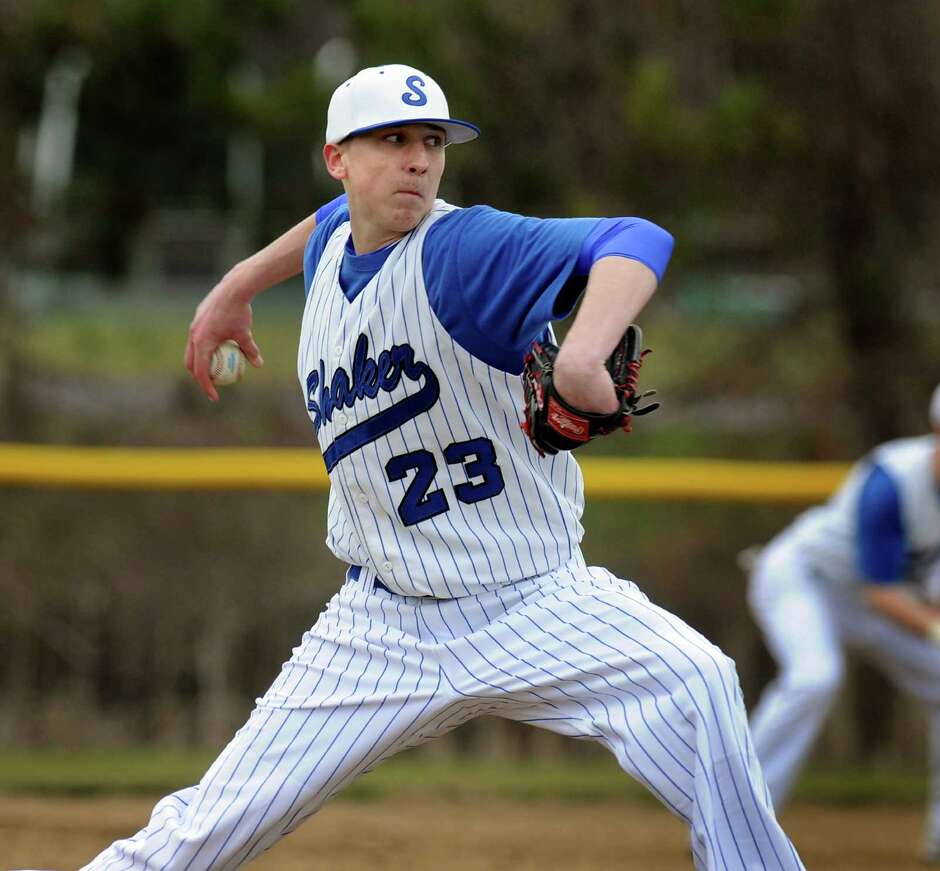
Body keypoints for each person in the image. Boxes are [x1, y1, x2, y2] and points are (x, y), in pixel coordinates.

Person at [83, 64, 804, 870]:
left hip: (535, 600)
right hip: (379, 624)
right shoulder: (333, 244)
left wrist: (584, 357)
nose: (419, 161)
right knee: (204, 827)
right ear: (338, 158)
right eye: (392, 140)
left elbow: (634, 240)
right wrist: (236, 283)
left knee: (702, 683)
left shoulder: (464, 247)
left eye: (432, 141)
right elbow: (325, 224)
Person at [745, 370, 940, 865]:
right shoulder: (891, 480)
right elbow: (882, 593)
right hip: (805, 580)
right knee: (814, 678)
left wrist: (939, 608)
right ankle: (734, 818)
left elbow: (928, 562)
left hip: (877, 597)